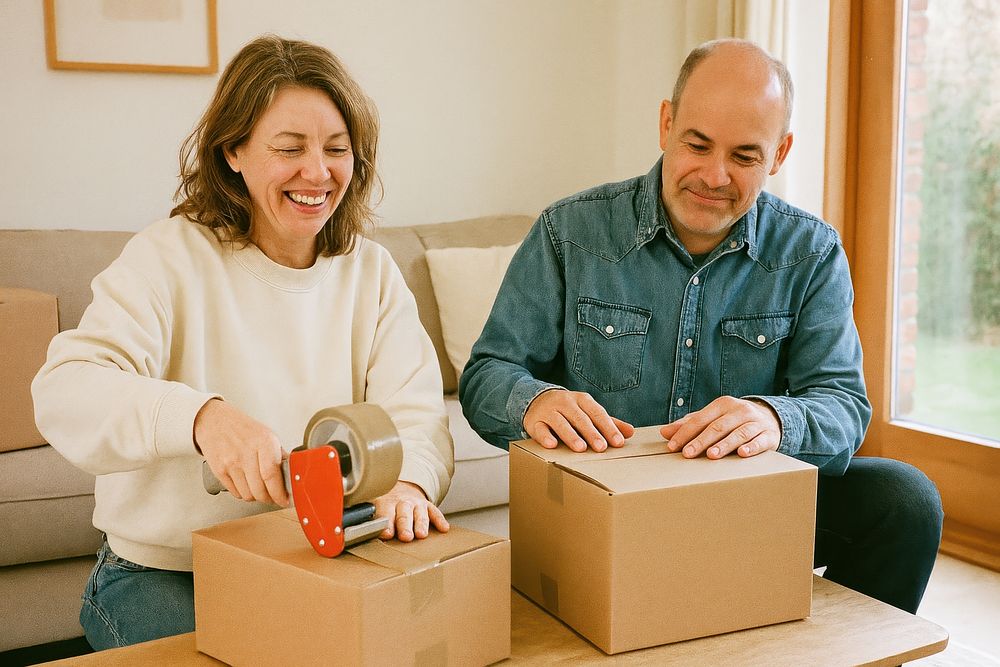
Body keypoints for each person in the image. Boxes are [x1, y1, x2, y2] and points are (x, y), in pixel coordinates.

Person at [460, 38, 943, 614]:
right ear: (666, 124)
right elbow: (486, 375)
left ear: (780, 154)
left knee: (906, 500)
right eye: (697, 144)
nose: (714, 176)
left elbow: (842, 405)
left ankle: (829, 650)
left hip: (746, 512)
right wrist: (535, 401)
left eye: (744, 156)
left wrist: (774, 419)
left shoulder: (811, 252)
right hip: (607, 512)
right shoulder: (569, 233)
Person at [32, 35, 453, 650]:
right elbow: (65, 388)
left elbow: (415, 415)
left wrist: (407, 483)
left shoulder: (372, 272)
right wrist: (201, 418)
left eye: (337, 149)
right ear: (233, 151)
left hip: (310, 560)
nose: (318, 172)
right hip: (165, 574)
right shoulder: (168, 256)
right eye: (290, 148)